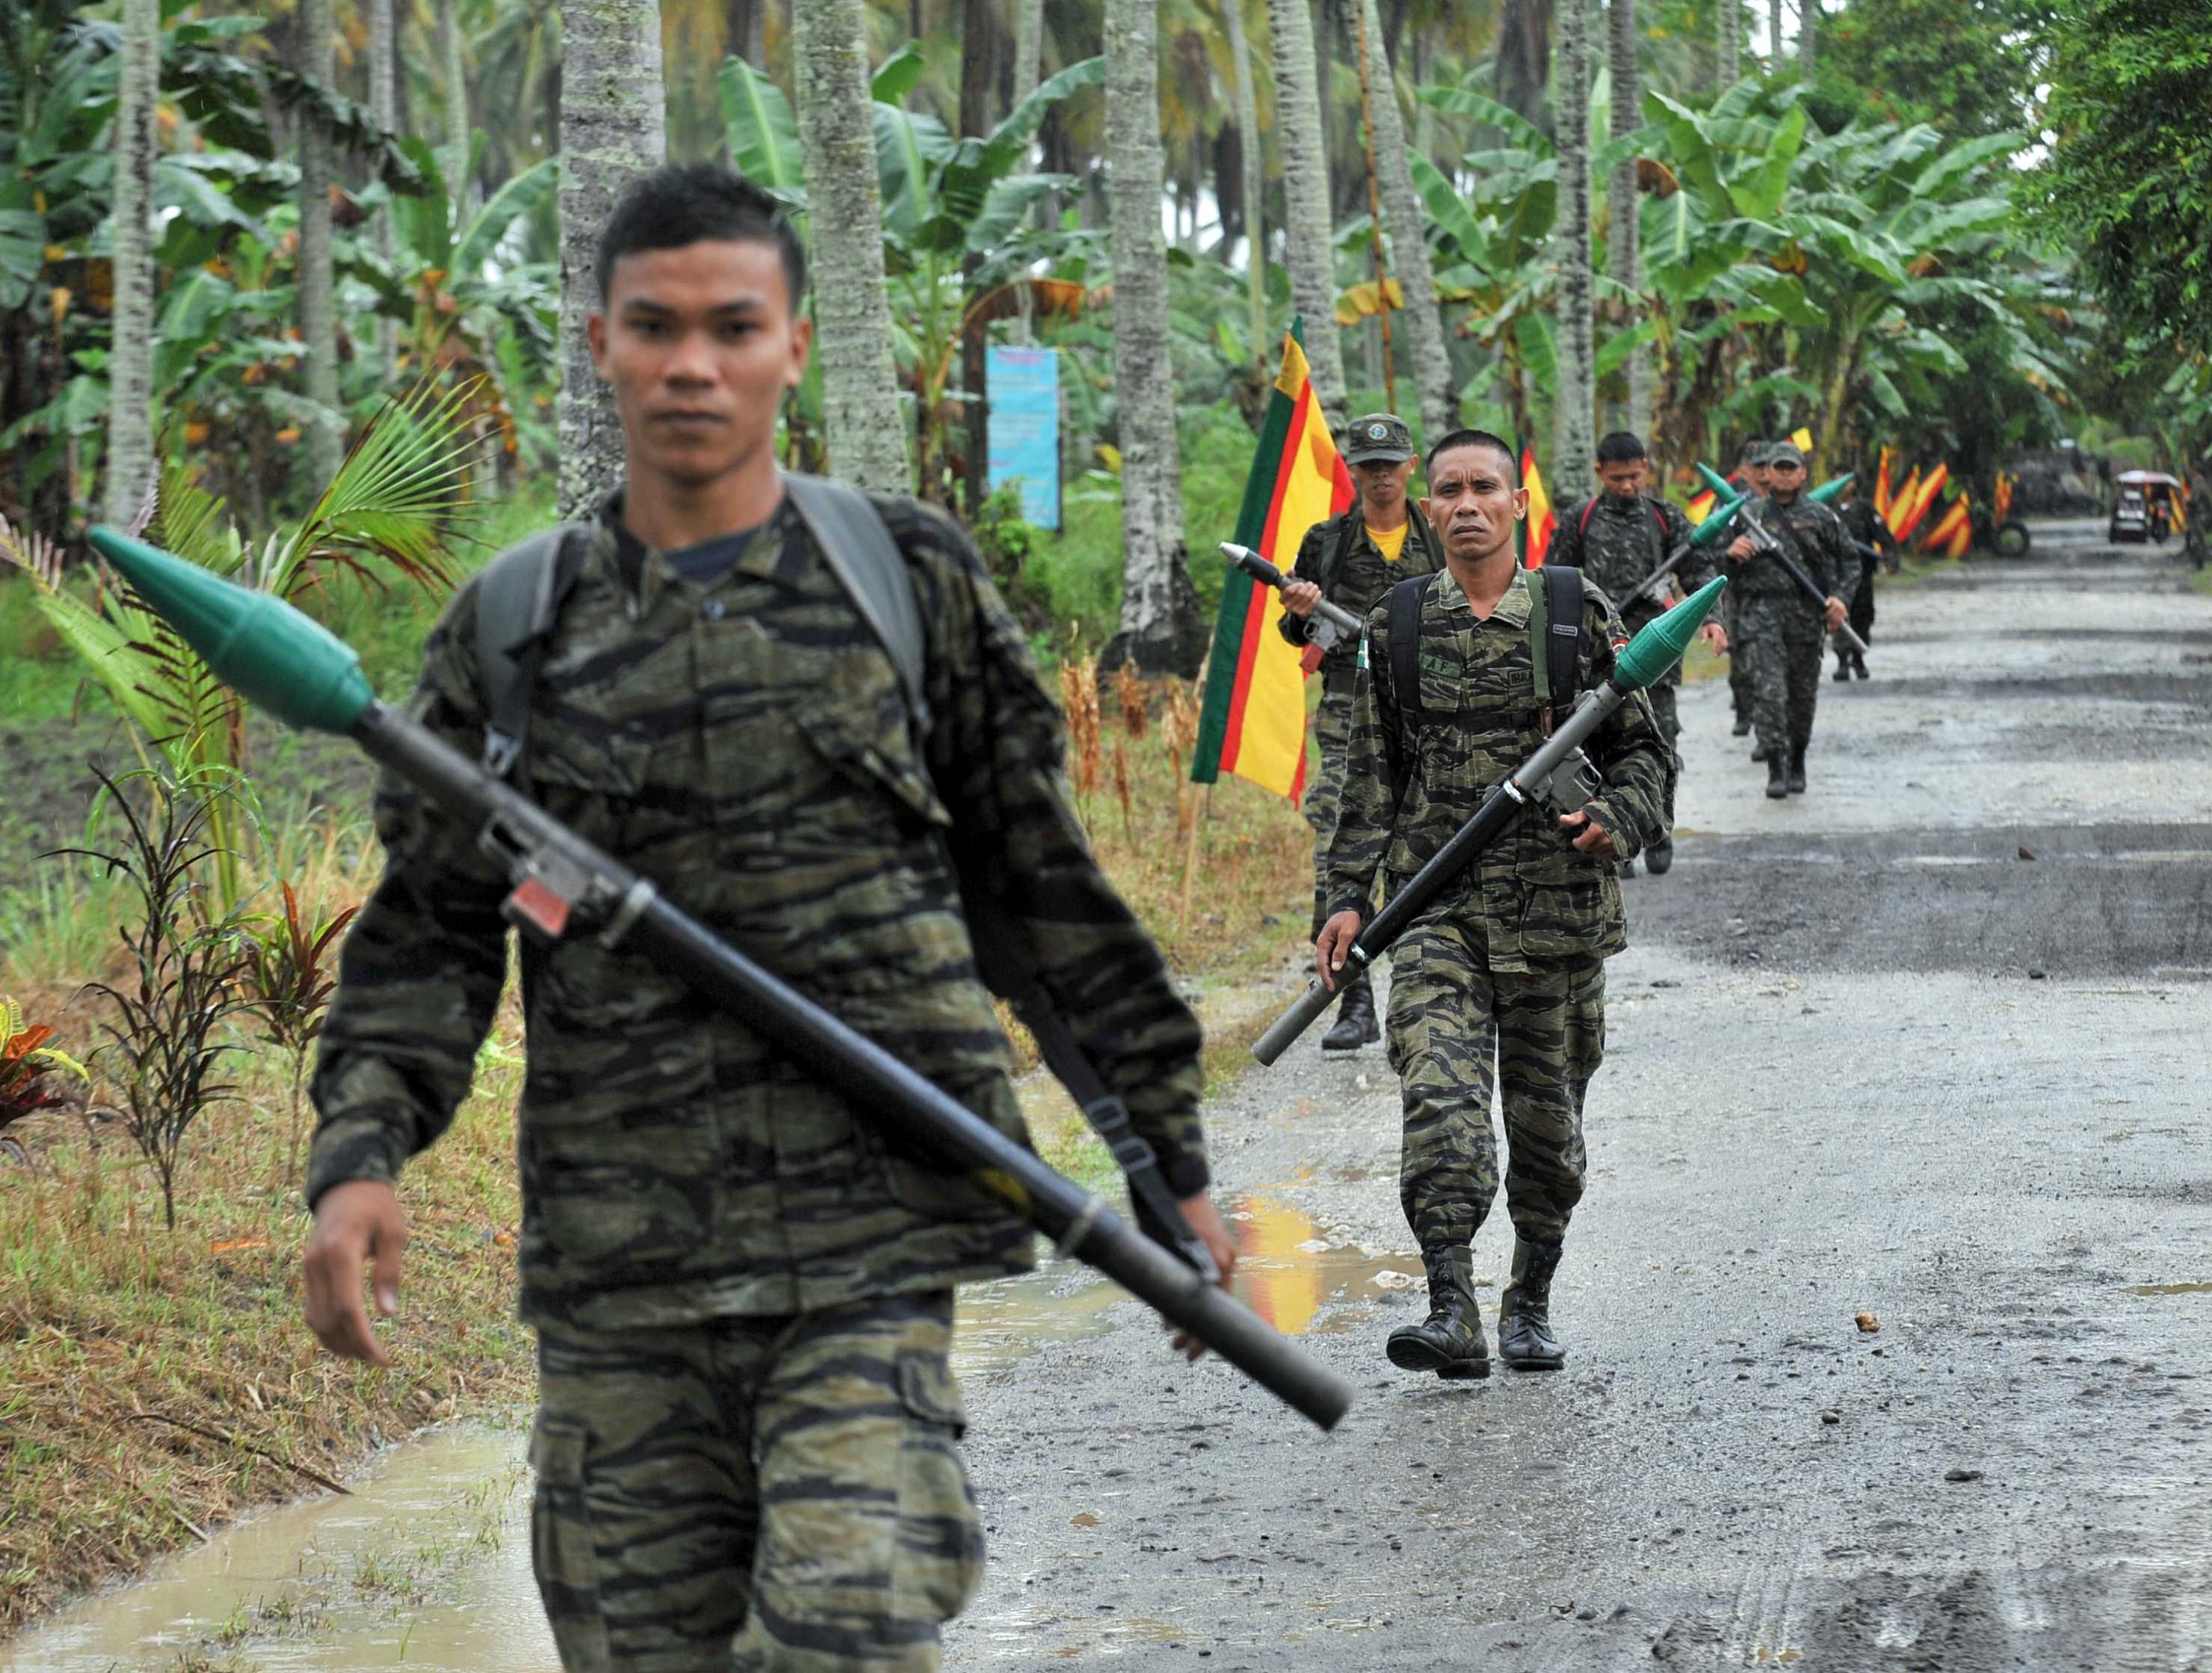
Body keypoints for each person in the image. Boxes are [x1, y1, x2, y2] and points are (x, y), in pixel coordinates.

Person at [298, 164, 1236, 1673]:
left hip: (872, 1241)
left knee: (843, 1624)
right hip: (620, 1267)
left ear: (792, 344)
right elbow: (428, 932)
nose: (692, 364)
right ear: (600, 338)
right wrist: (360, 1159)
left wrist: (1165, 1158)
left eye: (733, 326)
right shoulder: (517, 623)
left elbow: (1039, 890)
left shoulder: (902, 578)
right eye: (655, 327)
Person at [1316, 429, 1674, 1378]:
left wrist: (1616, 816)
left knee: (1548, 1133)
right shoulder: (1397, 626)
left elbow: (1647, 752)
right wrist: (1346, 899)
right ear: (1428, 510)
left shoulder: (1570, 611)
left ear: (1519, 502)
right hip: (1437, 912)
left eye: (1483, 487)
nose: (1465, 504)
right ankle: (1449, 1305)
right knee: (1440, 1106)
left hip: (1558, 920)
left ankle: (1530, 1301)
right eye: (1448, 491)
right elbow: (1368, 782)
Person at [1276, 413, 1443, 1052]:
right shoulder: (1326, 542)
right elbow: (1299, 634)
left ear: (1411, 465)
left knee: (1432, 846)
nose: (1380, 477)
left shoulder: (1439, 532)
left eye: (1390, 465)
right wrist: (1298, 613)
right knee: (1337, 854)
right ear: (1353, 470)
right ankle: (1352, 1000)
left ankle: (1429, 991)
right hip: (1349, 716)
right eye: (1368, 467)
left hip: (1432, 713)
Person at [1545, 431, 1729, 877]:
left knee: (1660, 743)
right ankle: (1615, 834)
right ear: (1599, 473)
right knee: (1596, 746)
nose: (1627, 486)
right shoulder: (1581, 518)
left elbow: (1700, 570)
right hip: (1596, 654)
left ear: (1646, 467)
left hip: (1655, 655)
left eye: (1634, 476)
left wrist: (1713, 618)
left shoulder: (1665, 518)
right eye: (1617, 478)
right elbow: (1554, 577)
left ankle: (1658, 829)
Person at [1724, 440, 1855, 799]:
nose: (1783, 474)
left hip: (1804, 615)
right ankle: (1775, 765)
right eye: (1777, 468)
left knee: (1801, 694)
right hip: (1760, 616)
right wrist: (1730, 553)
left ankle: (1798, 756)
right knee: (1769, 693)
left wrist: (1840, 598)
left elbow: (1850, 562)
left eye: (1790, 468)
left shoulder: (1822, 517)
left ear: (1802, 474)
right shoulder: (1746, 514)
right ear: (1766, 473)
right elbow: (1713, 568)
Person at [1726, 440, 1772, 744]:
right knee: (1742, 663)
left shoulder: (1789, 504)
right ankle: (1745, 711)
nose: (1765, 474)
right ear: (1744, 470)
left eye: (1769, 466)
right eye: (1757, 467)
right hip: (1739, 595)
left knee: (1769, 669)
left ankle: (1768, 735)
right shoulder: (1730, 505)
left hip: (1777, 599)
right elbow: (1709, 548)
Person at [1831, 475, 1893, 681]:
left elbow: (1882, 534)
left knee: (1863, 616)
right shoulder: (1826, 510)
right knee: (1839, 615)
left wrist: (1891, 558)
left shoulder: (1865, 508)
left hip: (1862, 574)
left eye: (1846, 480)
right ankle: (1842, 661)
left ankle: (1858, 658)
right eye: (1837, 479)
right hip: (1835, 575)